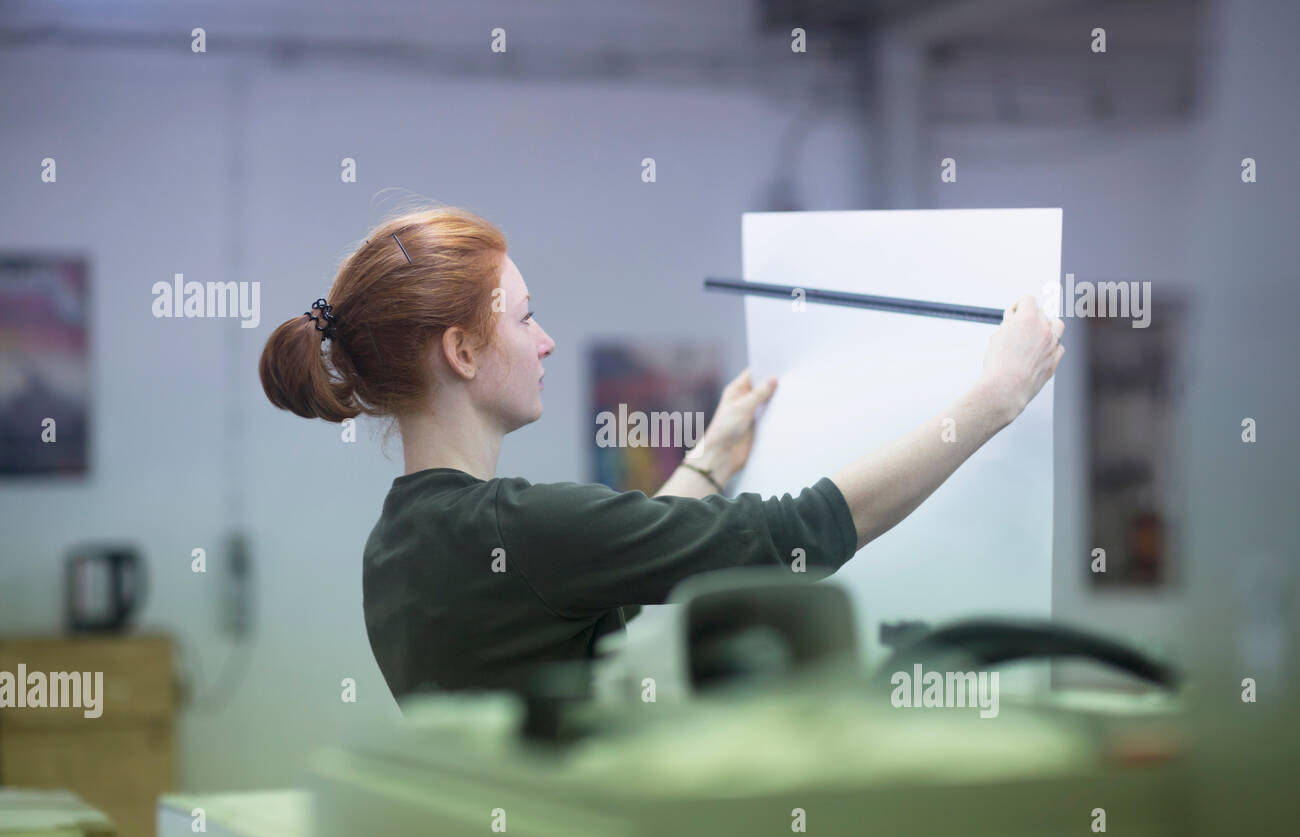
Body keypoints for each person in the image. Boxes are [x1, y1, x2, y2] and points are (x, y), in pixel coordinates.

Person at [258, 205, 1064, 704]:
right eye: (525, 319)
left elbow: (606, 564)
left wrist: (710, 458)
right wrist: (993, 402)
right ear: (463, 351)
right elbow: (794, 537)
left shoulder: (403, 541)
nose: (544, 342)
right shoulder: (514, 529)